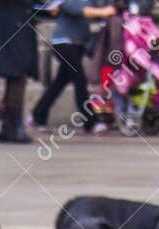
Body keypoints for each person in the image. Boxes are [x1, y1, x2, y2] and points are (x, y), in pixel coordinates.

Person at [31, 0, 116, 131]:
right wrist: (106, 11)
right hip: (64, 44)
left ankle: (37, 116)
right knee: (80, 80)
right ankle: (90, 123)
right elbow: (82, 11)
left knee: (59, 83)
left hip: (77, 45)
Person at [0, 0, 38, 142]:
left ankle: (9, 125)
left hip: (20, 23)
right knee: (16, 73)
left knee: (18, 76)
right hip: (10, 25)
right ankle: (14, 125)